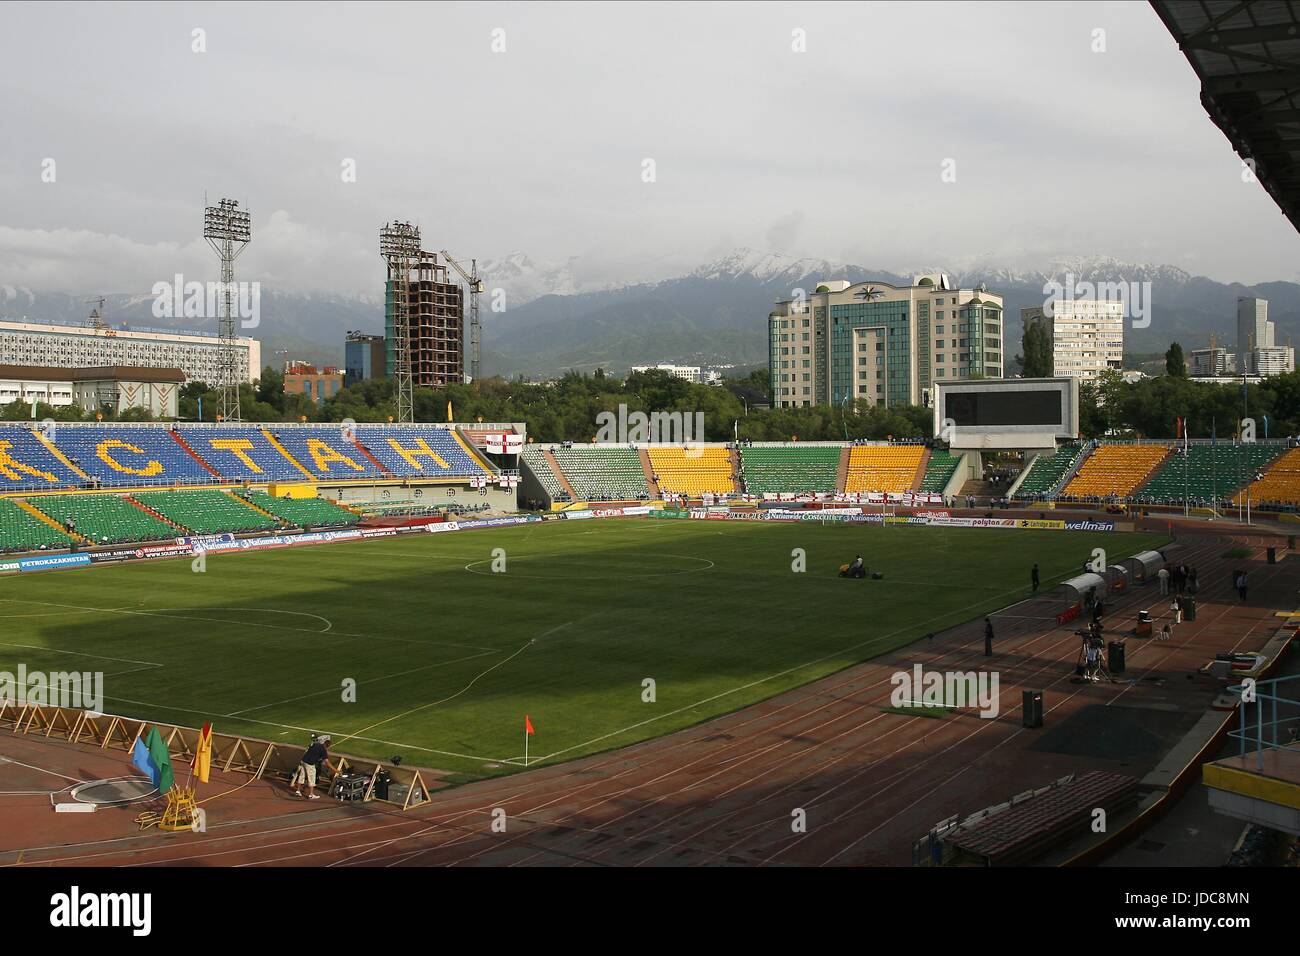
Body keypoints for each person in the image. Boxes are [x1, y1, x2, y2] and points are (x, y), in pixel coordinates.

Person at [291, 734, 332, 800]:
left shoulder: (315, 744)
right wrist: (336, 770)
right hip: (309, 764)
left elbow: (309, 751)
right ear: (327, 746)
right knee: (312, 779)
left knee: (301, 776)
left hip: (303, 761)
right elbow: (327, 763)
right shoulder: (323, 750)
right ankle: (311, 795)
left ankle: (298, 791)